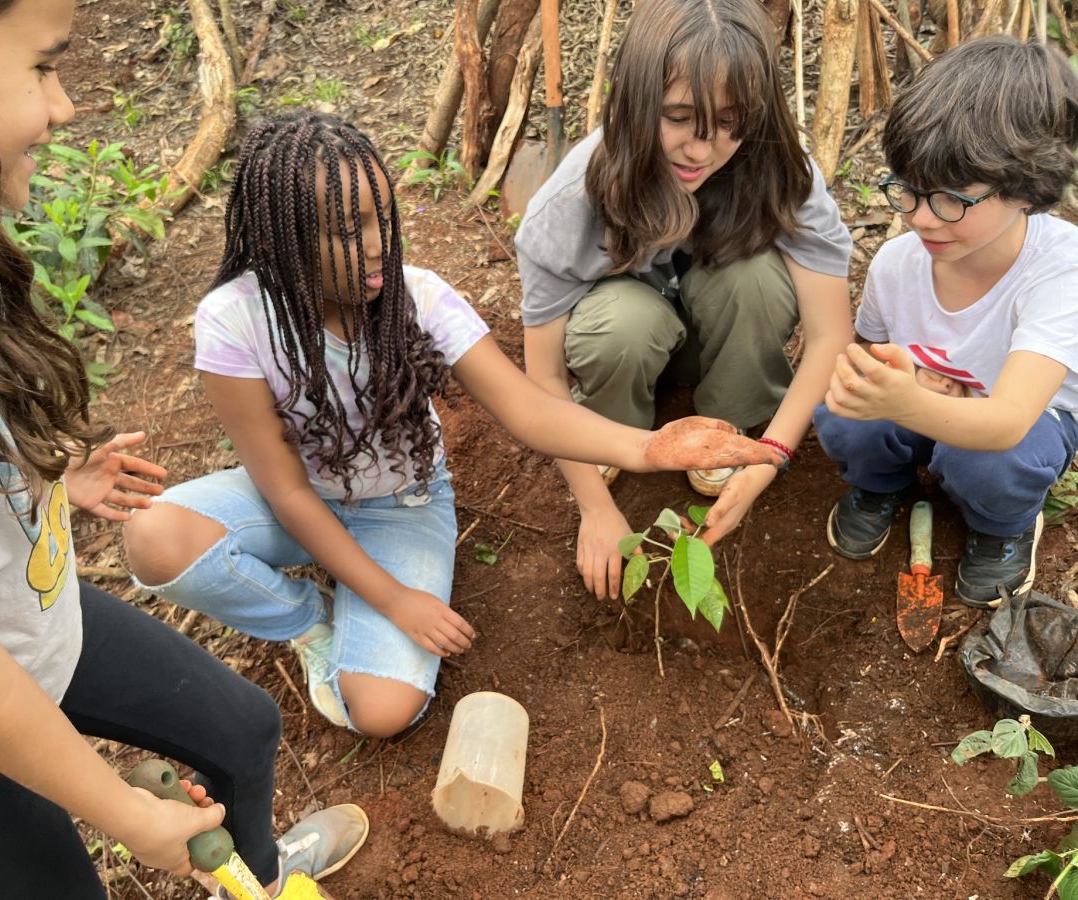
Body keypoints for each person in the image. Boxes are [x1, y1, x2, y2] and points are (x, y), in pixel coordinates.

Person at [0, 2, 367, 897]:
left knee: (242, 728)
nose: (65, 107)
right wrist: (129, 813)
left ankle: (253, 880)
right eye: (42, 68)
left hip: (32, 623)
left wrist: (43, 481)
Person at [122, 110, 782, 739]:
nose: (378, 244)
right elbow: (288, 490)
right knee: (154, 538)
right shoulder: (233, 321)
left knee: (383, 711)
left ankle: (352, 605)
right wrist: (392, 600)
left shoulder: (419, 298)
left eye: (381, 216)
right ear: (281, 240)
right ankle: (311, 621)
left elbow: (527, 408)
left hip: (398, 507)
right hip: (294, 496)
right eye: (348, 231)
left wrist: (646, 446)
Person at [515, 0, 854, 603]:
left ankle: (728, 428)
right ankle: (613, 432)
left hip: (713, 333)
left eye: (729, 123)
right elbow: (541, 375)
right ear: (635, 101)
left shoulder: (780, 171)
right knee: (624, 322)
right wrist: (594, 510)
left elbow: (830, 334)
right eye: (678, 118)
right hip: (629, 341)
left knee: (751, 278)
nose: (701, 149)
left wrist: (769, 456)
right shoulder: (571, 201)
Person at [815, 36, 1078, 608]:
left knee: (991, 461)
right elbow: (868, 355)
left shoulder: (1062, 270)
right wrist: (891, 379)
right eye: (907, 191)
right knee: (844, 416)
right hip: (925, 400)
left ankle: (1002, 525)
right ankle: (883, 484)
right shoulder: (896, 263)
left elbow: (1008, 422)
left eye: (952, 198)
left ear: (1027, 190)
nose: (921, 218)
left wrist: (905, 400)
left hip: (1023, 424)